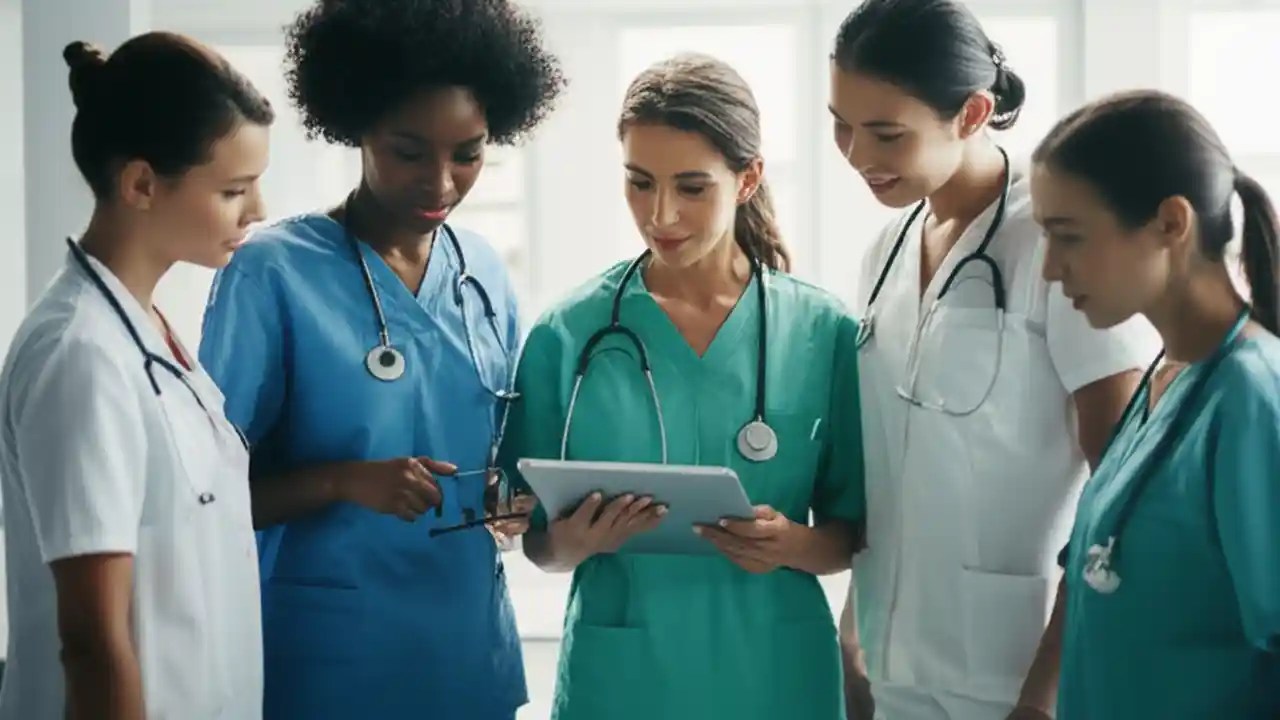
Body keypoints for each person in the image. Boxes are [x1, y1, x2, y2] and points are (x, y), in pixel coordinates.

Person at [196, 1, 564, 718]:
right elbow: (202, 499)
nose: (442, 182)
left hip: (466, 651)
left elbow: (496, 455)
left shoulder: (484, 273)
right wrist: (344, 481)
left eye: (468, 154)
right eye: (409, 151)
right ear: (357, 127)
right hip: (331, 658)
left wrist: (513, 501)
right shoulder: (272, 271)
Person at [501, 52, 864, 720]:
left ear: (748, 179)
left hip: (775, 675)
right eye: (640, 183)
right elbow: (537, 539)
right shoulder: (567, 334)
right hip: (625, 679)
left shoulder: (824, 332)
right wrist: (569, 546)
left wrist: (793, 544)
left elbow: (855, 532)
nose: (660, 214)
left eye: (692, 188)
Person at [827, 2, 1160, 718]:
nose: (856, 154)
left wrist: (1043, 694)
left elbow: (1123, 490)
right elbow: (893, 467)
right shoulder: (885, 253)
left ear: (973, 113)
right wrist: (853, 633)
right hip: (890, 666)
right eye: (841, 125)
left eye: (886, 133)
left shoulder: (1055, 240)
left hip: (1015, 672)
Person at [0, 34, 272, 720]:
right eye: (234, 191)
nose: (257, 212)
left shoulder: (144, 330)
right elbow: (92, 641)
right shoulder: (80, 355)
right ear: (142, 185)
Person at [1029, 90, 1280, 720]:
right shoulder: (1164, 380)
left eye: (1068, 237)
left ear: (1171, 222)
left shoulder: (1251, 398)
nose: (1050, 269)